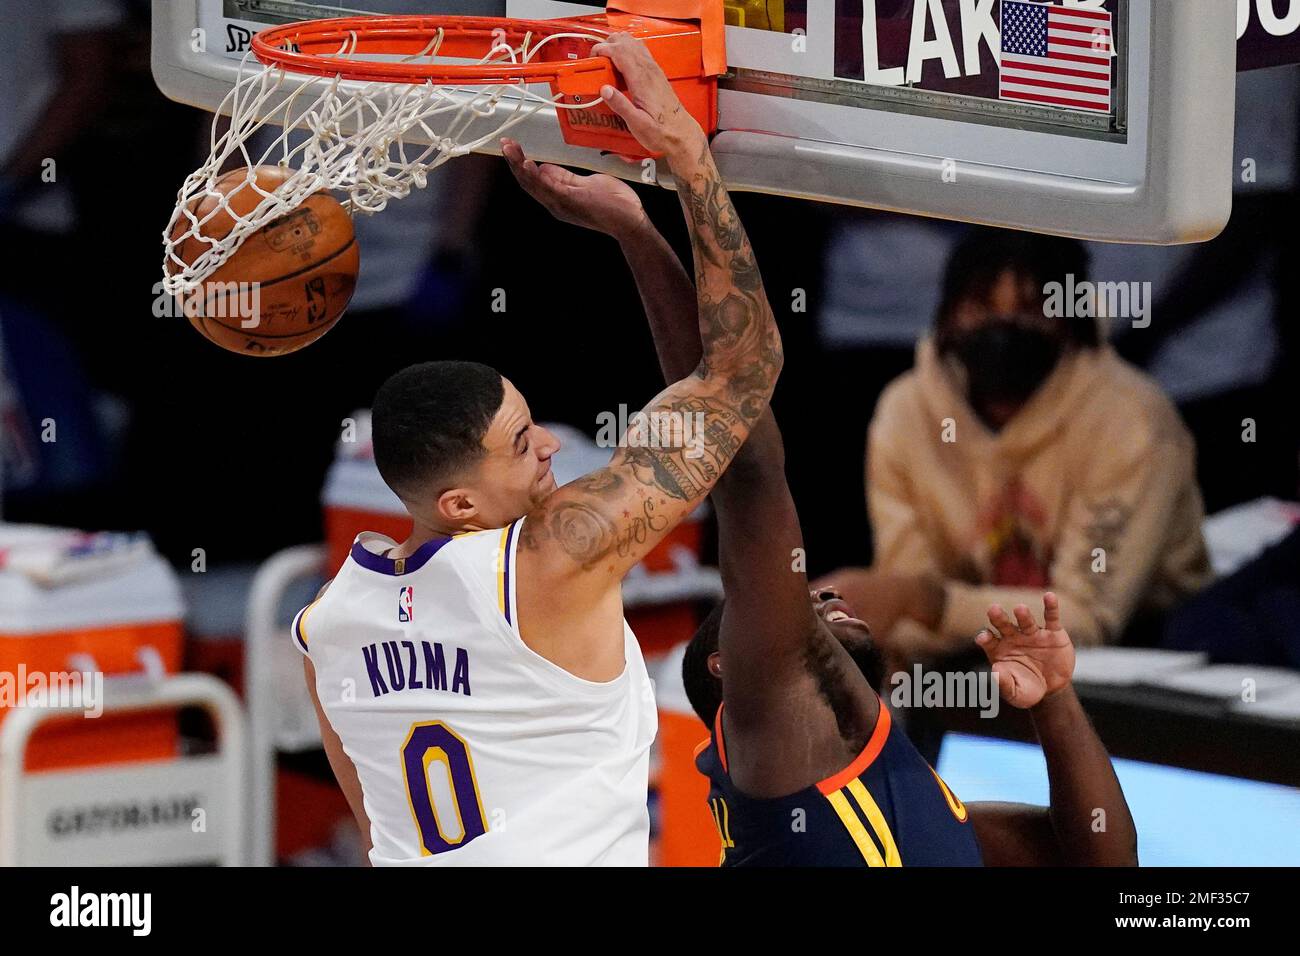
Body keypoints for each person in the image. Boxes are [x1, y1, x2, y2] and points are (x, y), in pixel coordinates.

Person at [509, 154, 1138, 867]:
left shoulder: (898, 788)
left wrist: (1053, 700)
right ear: (734, 666)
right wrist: (685, 180)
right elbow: (738, 453)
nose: (825, 593)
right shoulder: (782, 753)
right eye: (795, 609)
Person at [296, 33, 784, 866]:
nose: (552, 446)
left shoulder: (324, 625)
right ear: (459, 505)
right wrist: (687, 163)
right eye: (521, 444)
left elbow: (382, 828)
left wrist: (635, 232)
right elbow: (744, 372)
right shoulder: (555, 555)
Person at [817, 230, 1212, 669]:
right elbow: (907, 616)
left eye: (1030, 310)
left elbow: (1088, 621)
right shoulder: (905, 412)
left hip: (1143, 656)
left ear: (1071, 322)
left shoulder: (1131, 420)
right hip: (970, 651)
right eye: (981, 307)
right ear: (946, 317)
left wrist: (920, 600)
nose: (1003, 329)